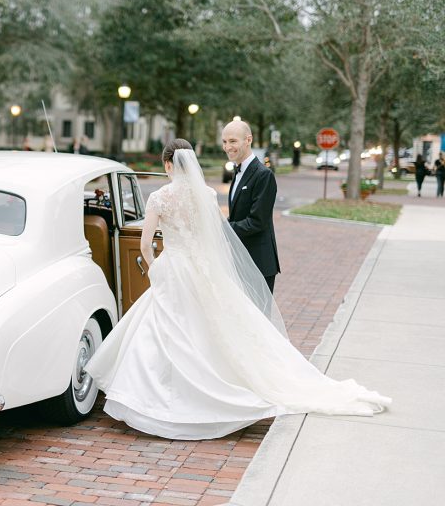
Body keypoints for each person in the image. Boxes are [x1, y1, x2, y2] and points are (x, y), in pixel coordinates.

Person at [84, 142, 391, 441]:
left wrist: (154, 267)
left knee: (166, 330)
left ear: (167, 165)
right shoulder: (205, 194)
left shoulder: (160, 198)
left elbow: (144, 242)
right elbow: (215, 236)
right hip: (202, 269)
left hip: (174, 269)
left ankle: (164, 397)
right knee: (210, 327)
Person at [223, 120, 279, 292]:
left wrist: (222, 228)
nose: (227, 147)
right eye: (224, 142)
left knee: (259, 318)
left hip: (259, 263)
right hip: (240, 260)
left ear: (248, 140)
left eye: (233, 141)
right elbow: (237, 216)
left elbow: (257, 221)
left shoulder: (264, 175)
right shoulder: (237, 172)